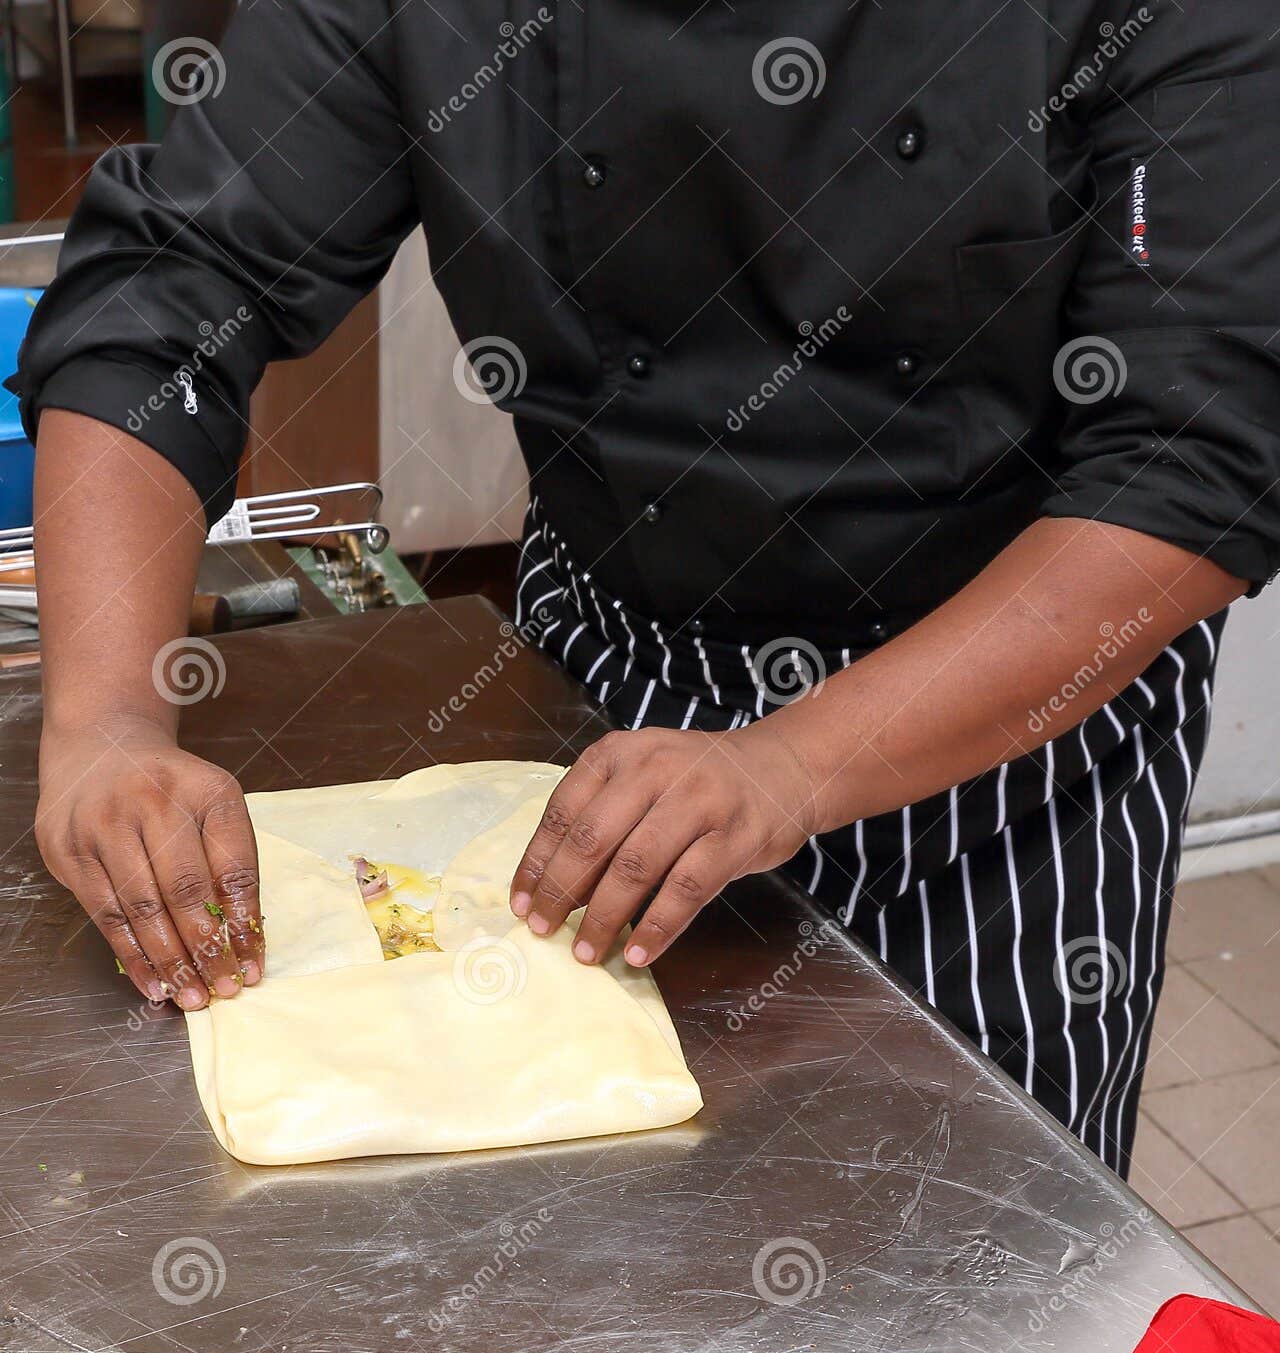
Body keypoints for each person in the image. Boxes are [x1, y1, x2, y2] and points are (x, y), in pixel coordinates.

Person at [13, 1, 1280, 1179]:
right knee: (585, 1245)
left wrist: (787, 765)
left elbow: (1190, 459)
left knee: (978, 1294)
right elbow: (174, 286)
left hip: (1001, 764)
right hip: (604, 696)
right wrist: (105, 721)